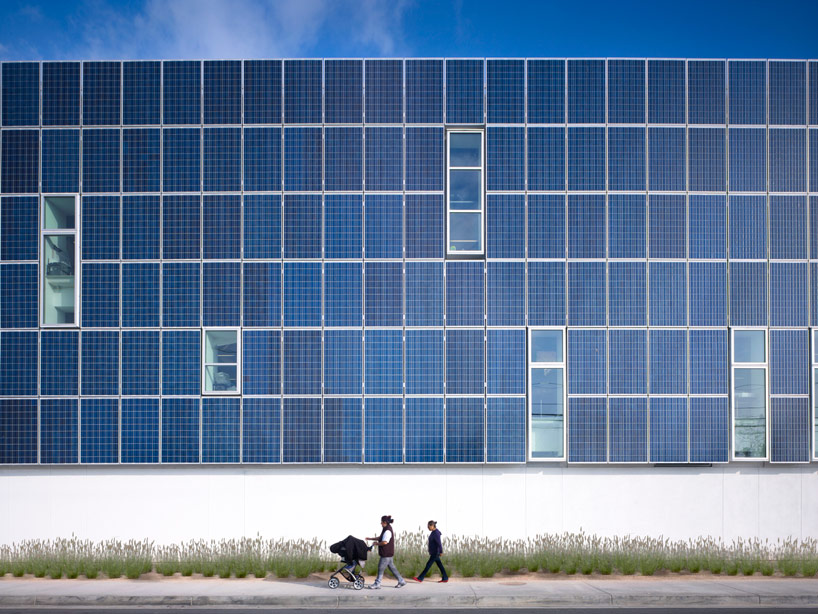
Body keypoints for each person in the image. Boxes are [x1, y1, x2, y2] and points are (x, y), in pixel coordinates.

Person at [365, 514, 406, 589]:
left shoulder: (387, 531)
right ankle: (401, 581)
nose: (381, 523)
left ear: (385, 522)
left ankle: (377, 583)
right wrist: (371, 538)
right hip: (389, 553)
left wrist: (376, 544)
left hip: (386, 554)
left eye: (381, 522)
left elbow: (385, 542)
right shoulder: (386, 529)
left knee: (380, 568)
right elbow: (381, 538)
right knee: (392, 568)